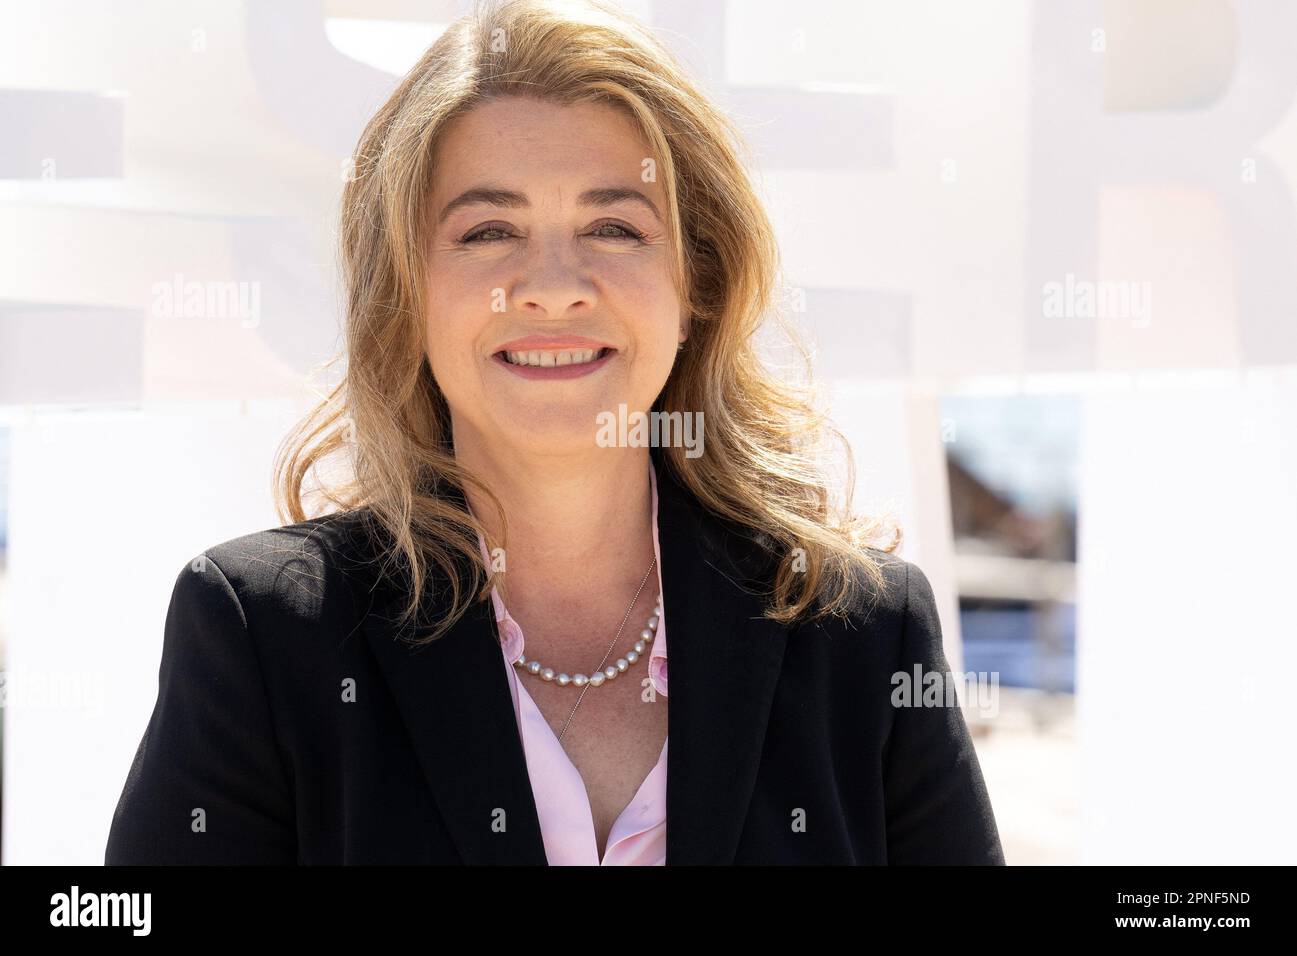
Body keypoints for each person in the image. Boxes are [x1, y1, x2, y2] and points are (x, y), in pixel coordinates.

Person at [105, 0, 1003, 866]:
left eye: (614, 226)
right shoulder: (262, 635)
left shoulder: (865, 633)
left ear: (696, 286)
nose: (553, 285)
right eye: (489, 229)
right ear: (405, 293)